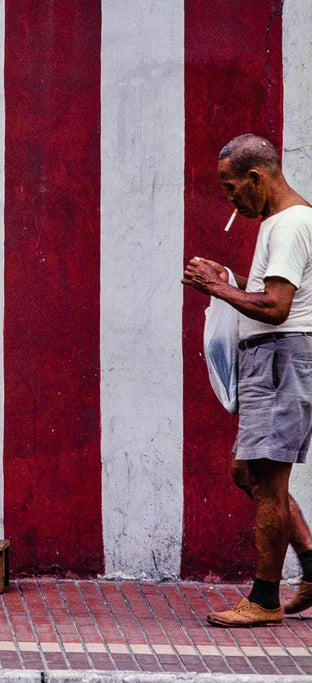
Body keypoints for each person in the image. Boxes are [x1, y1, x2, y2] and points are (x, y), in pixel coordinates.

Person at [183, 133, 312, 627]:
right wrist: (233, 281)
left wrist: (216, 287)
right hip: (272, 361)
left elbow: (278, 308)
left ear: (257, 178)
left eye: (232, 187)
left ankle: (263, 600)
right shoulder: (282, 222)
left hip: (280, 360)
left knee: (268, 481)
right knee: (250, 474)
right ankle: (311, 566)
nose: (230, 198)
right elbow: (272, 294)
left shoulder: (290, 224)